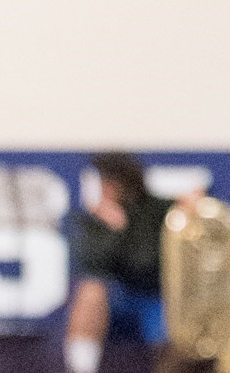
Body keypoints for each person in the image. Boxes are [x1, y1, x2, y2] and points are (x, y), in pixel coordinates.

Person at [64, 152, 175, 373]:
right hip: (115, 300)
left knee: (174, 325)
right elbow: (90, 265)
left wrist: (124, 228)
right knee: (91, 290)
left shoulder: (161, 210)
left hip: (155, 298)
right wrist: (112, 230)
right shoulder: (92, 219)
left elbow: (146, 262)